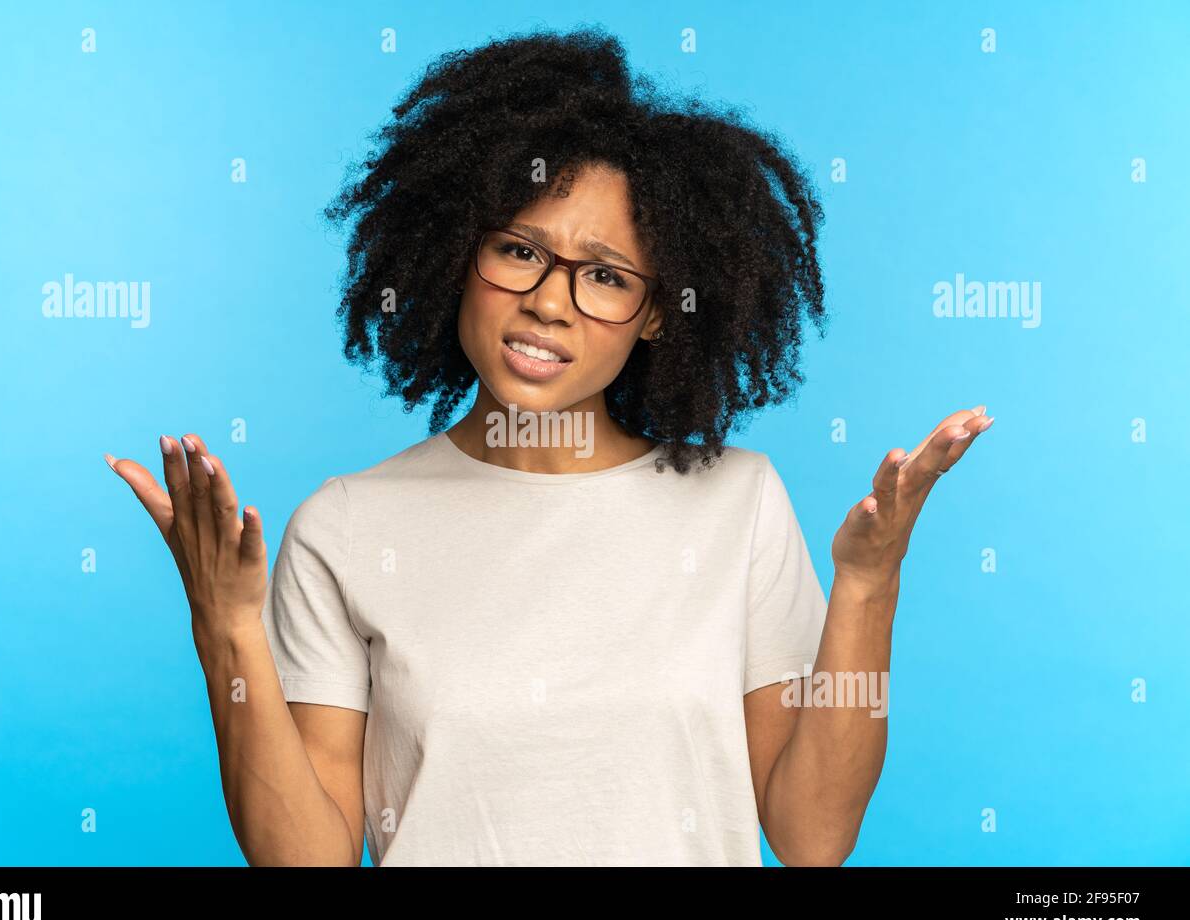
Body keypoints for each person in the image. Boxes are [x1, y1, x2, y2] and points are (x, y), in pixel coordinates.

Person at [104, 27, 992, 866]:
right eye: (519, 250)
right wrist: (224, 628)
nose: (550, 301)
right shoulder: (344, 527)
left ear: (654, 317)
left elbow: (813, 835)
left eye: (605, 276)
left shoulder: (741, 504)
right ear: (458, 254)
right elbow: (307, 856)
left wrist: (870, 587)